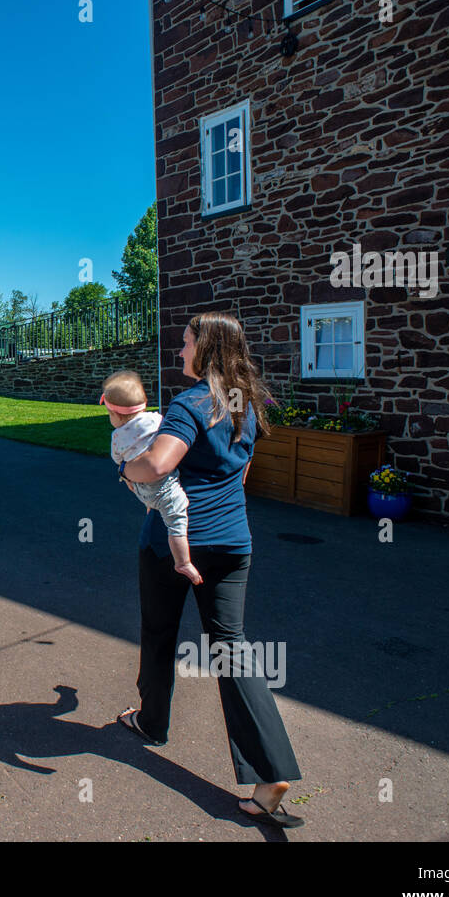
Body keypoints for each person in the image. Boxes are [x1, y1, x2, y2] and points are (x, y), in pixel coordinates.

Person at [117, 311, 304, 828]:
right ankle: (270, 776)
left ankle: (151, 723)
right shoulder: (252, 400)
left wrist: (124, 469)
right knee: (231, 645)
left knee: (158, 633)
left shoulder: (190, 403)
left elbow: (157, 464)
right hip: (233, 541)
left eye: (185, 343)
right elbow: (241, 472)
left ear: (207, 348)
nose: (180, 352)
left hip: (174, 544)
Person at [101, 370, 202, 586]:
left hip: (141, 489)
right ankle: (183, 561)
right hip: (165, 488)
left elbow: (118, 460)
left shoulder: (117, 437)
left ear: (117, 415)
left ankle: (152, 509)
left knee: (131, 481)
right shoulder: (157, 420)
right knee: (176, 522)